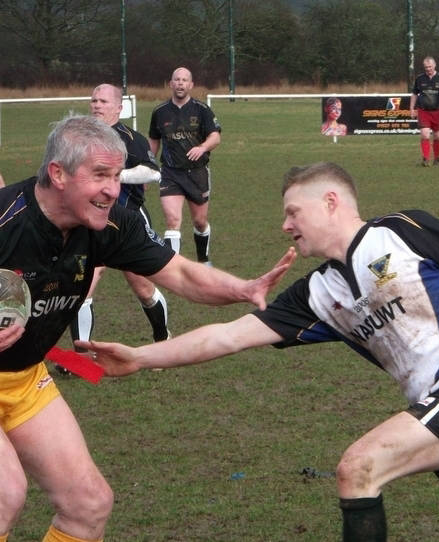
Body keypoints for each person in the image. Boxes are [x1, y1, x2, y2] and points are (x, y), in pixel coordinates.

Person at [78, 161, 439, 542]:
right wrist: (142, 357)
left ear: (330, 202)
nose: (285, 225)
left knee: (358, 469)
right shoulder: (318, 294)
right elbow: (228, 336)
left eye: (292, 212)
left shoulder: (399, 232)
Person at [0, 115, 294, 542]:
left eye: (117, 176)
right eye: (100, 175)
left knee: (89, 505)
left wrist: (245, 289)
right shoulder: (7, 219)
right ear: (57, 174)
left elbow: (183, 275)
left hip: (25, 380)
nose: (112, 190)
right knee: (6, 494)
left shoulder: (110, 223)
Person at [68, 84, 170, 358]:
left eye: (103, 101)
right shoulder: (82, 139)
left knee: (144, 289)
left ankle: (162, 338)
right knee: (82, 286)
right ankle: (81, 355)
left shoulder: (129, 138)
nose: (96, 105)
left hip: (127, 223)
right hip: (91, 222)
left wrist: (114, 176)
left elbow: (152, 173)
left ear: (118, 107)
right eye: (93, 100)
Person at [149, 66, 221, 264]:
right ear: (171, 84)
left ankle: (203, 260)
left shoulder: (202, 110)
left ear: (191, 85)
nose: (180, 83)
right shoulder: (160, 112)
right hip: (170, 173)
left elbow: (215, 137)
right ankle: (174, 267)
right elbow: (153, 141)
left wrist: (203, 147)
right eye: (177, 80)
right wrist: (148, 166)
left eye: (184, 80)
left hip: (197, 173)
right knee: (172, 221)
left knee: (199, 222)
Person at [409, 56, 439, 166]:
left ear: (434, 65)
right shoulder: (419, 79)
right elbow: (414, 94)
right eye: (426, 67)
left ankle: (437, 158)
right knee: (425, 135)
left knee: (438, 136)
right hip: (423, 111)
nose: (428, 69)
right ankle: (426, 159)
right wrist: (412, 108)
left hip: (437, 111)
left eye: (430, 66)